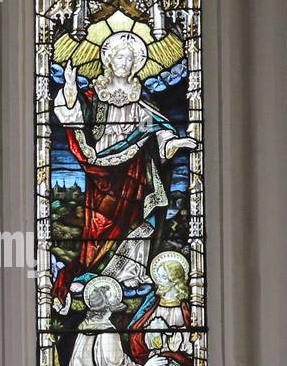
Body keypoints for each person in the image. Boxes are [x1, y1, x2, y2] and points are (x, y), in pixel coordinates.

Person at [52, 29, 196, 309]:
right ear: (108, 61)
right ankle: (96, 271)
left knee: (138, 219)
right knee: (100, 224)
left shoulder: (142, 97)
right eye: (120, 57)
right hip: (103, 174)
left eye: (130, 59)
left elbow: (157, 129)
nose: (124, 63)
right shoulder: (95, 94)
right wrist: (70, 91)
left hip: (135, 170)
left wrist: (174, 141)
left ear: (136, 64)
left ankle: (131, 273)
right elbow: (75, 116)